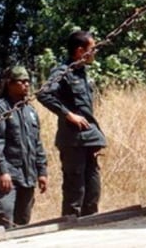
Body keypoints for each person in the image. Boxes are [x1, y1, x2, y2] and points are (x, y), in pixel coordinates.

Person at [37, 30, 107, 217]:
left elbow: (86, 111)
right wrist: (68, 115)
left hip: (88, 139)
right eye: (92, 48)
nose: (95, 52)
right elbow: (43, 94)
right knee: (75, 190)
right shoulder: (62, 72)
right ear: (79, 50)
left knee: (92, 190)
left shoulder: (82, 73)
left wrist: (96, 139)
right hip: (72, 140)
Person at [0, 66, 48, 228]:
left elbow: (37, 143)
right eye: (21, 81)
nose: (26, 85)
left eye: (27, 81)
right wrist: (2, 171)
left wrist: (42, 171)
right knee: (3, 216)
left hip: (27, 175)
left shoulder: (30, 111)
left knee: (22, 222)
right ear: (8, 84)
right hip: (6, 176)